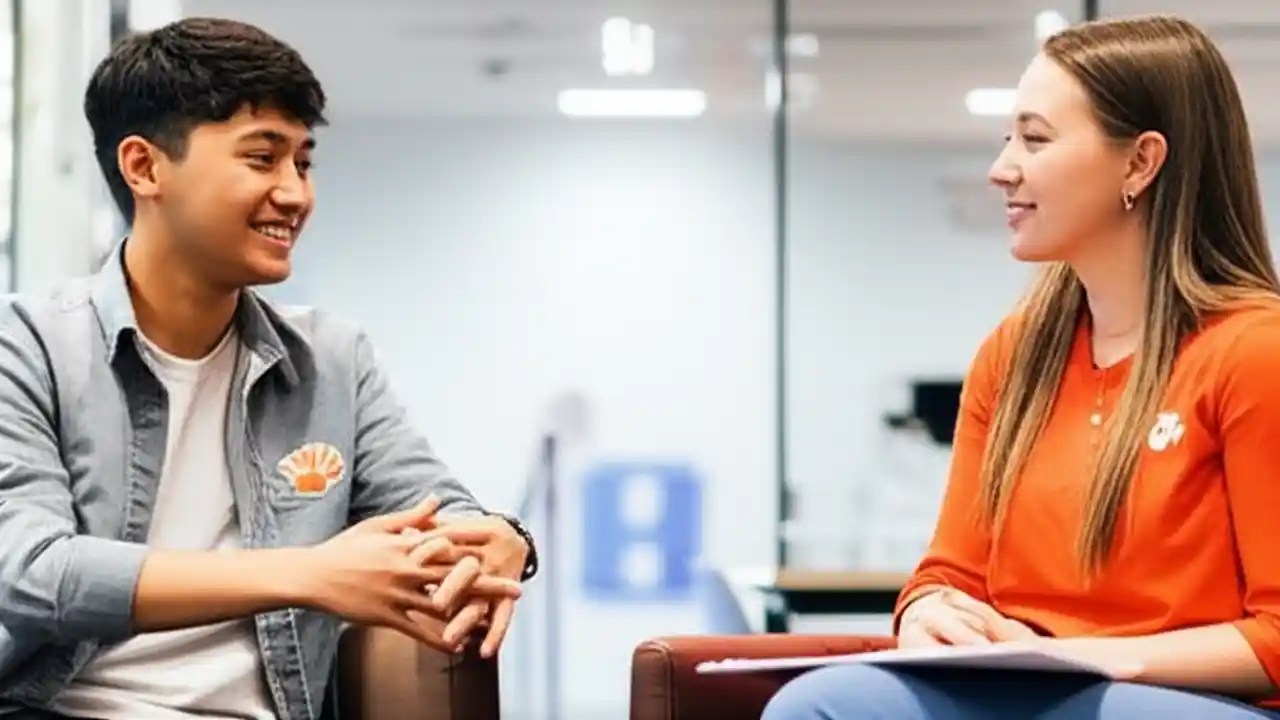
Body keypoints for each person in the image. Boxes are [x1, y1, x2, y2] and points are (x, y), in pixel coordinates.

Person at [0, 17, 537, 720]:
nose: (295, 194)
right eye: (263, 158)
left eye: (304, 162)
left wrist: (502, 539)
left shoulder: (333, 361)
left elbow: (435, 511)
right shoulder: (28, 344)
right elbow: (34, 573)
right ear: (144, 167)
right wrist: (309, 575)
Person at [765, 14, 1280, 720]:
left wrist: (1097, 658)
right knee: (817, 705)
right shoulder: (1013, 354)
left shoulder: (1254, 351)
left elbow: (1276, 636)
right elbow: (948, 572)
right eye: (1009, 137)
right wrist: (928, 612)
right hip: (1031, 689)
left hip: (1183, 701)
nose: (1001, 167)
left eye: (1035, 139)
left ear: (1140, 162)